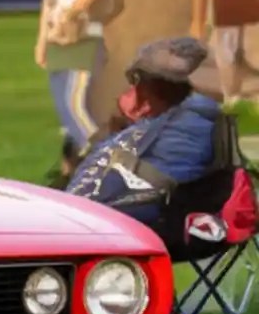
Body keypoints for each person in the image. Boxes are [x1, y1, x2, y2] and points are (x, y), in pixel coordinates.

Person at [66, 37, 217, 226]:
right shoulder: (168, 120)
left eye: (139, 82)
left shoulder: (187, 126)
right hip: (93, 210)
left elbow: (155, 187)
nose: (134, 89)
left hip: (116, 219)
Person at [35, 0, 114, 180]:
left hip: (82, 35)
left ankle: (106, 158)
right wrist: (42, 39)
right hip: (57, 36)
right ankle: (76, 167)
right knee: (62, 106)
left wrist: (73, 12)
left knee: (74, 103)